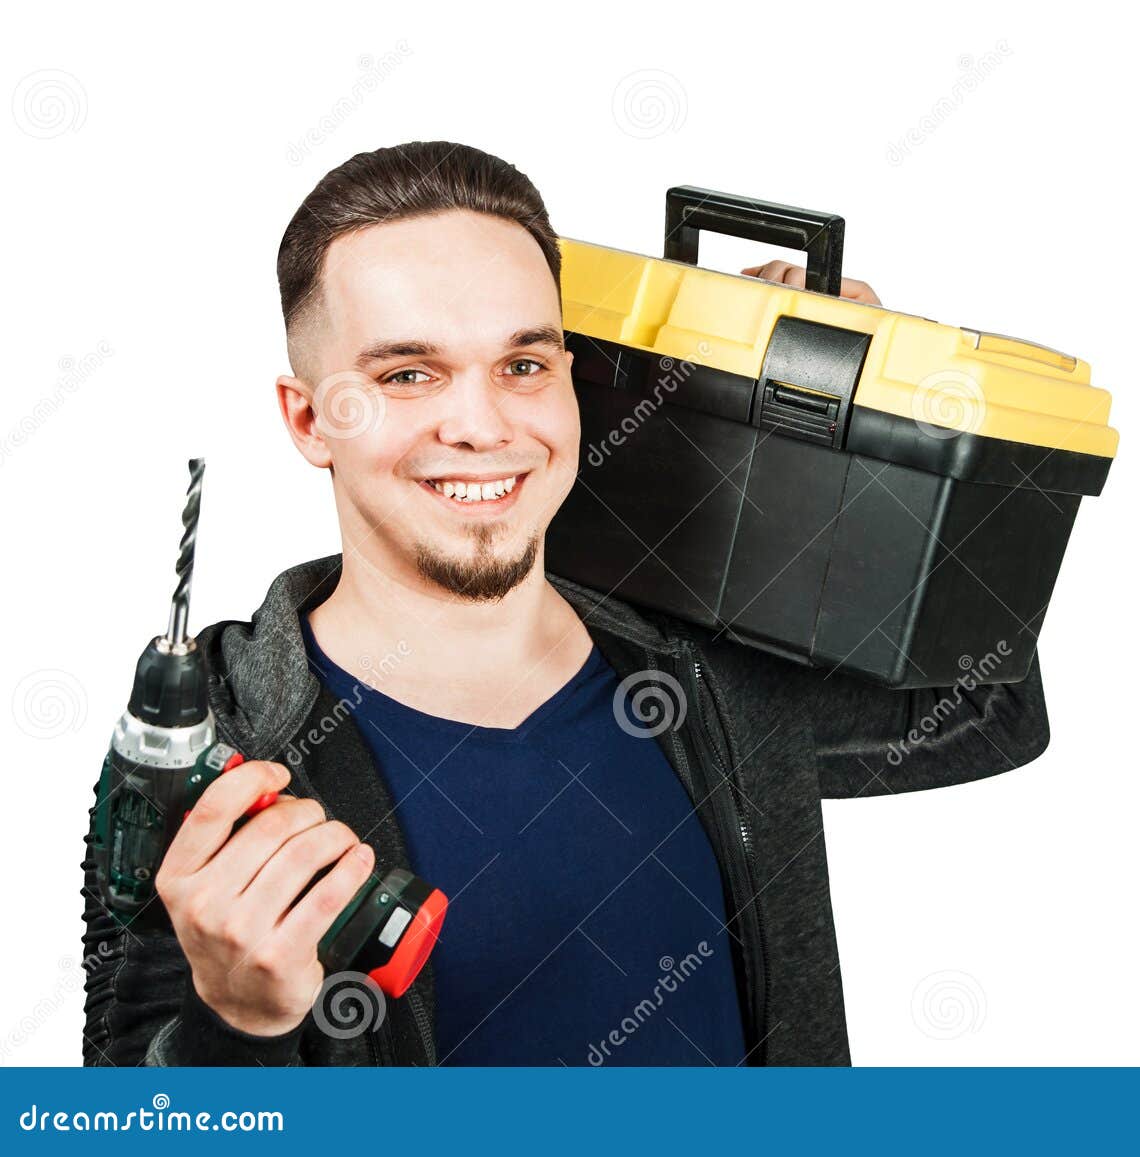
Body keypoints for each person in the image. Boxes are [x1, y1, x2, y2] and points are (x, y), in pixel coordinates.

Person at [80, 141, 1050, 1067]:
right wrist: (236, 1027)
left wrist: (856, 444)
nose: (482, 422)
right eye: (408, 373)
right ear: (308, 418)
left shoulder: (702, 666)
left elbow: (981, 704)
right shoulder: (212, 750)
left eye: (524, 364)